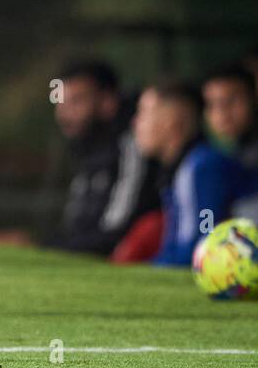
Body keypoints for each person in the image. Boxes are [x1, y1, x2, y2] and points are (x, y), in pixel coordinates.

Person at [125, 81, 258, 266]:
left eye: (144, 113)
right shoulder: (180, 169)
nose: (135, 122)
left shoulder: (203, 167)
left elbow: (205, 242)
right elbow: (175, 245)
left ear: (172, 120)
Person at [44, 60, 157, 256]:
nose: (63, 113)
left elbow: (116, 233)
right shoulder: (86, 149)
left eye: (76, 101)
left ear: (107, 102)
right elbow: (76, 226)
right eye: (60, 102)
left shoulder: (132, 145)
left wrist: (46, 246)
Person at [200, 64, 258, 218]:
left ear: (253, 99)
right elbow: (207, 222)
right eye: (212, 104)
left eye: (231, 101)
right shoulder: (207, 154)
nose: (222, 113)